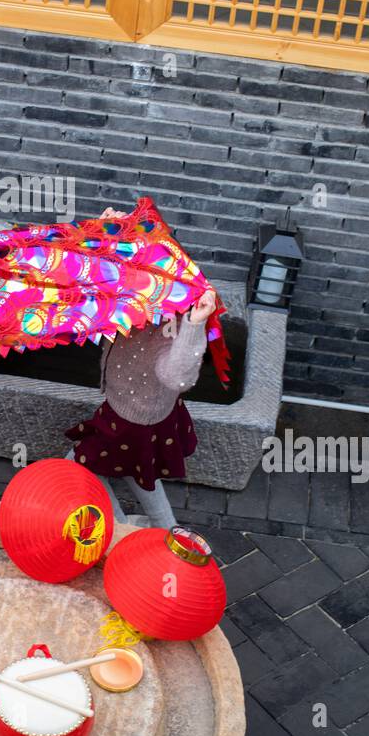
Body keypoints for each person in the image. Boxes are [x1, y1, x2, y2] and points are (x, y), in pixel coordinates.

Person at [66, 209, 217, 530]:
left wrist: (195, 324)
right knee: (138, 472)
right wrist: (105, 229)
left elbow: (178, 376)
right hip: (139, 410)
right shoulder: (133, 299)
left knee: (77, 468)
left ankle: (121, 530)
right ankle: (166, 526)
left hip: (133, 418)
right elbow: (90, 271)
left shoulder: (170, 320)